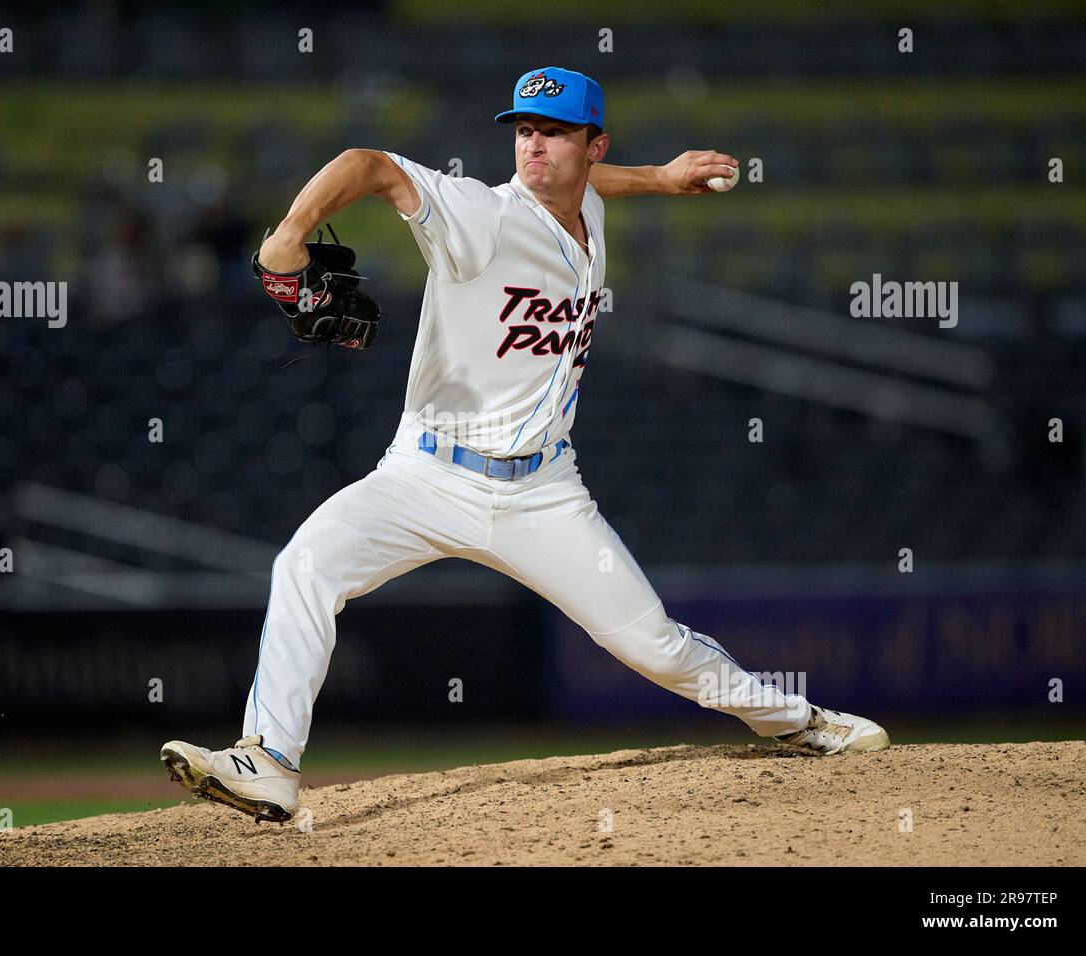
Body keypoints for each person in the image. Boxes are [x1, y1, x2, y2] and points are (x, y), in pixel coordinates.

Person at [161, 67, 889, 824]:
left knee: (657, 648)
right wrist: (288, 235)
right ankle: (271, 761)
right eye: (524, 130)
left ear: (591, 144)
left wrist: (666, 179)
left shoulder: (590, 206)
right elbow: (369, 166)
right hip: (424, 474)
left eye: (554, 132)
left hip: (544, 492)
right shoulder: (483, 216)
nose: (533, 146)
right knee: (305, 566)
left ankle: (800, 723)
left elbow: (597, 185)